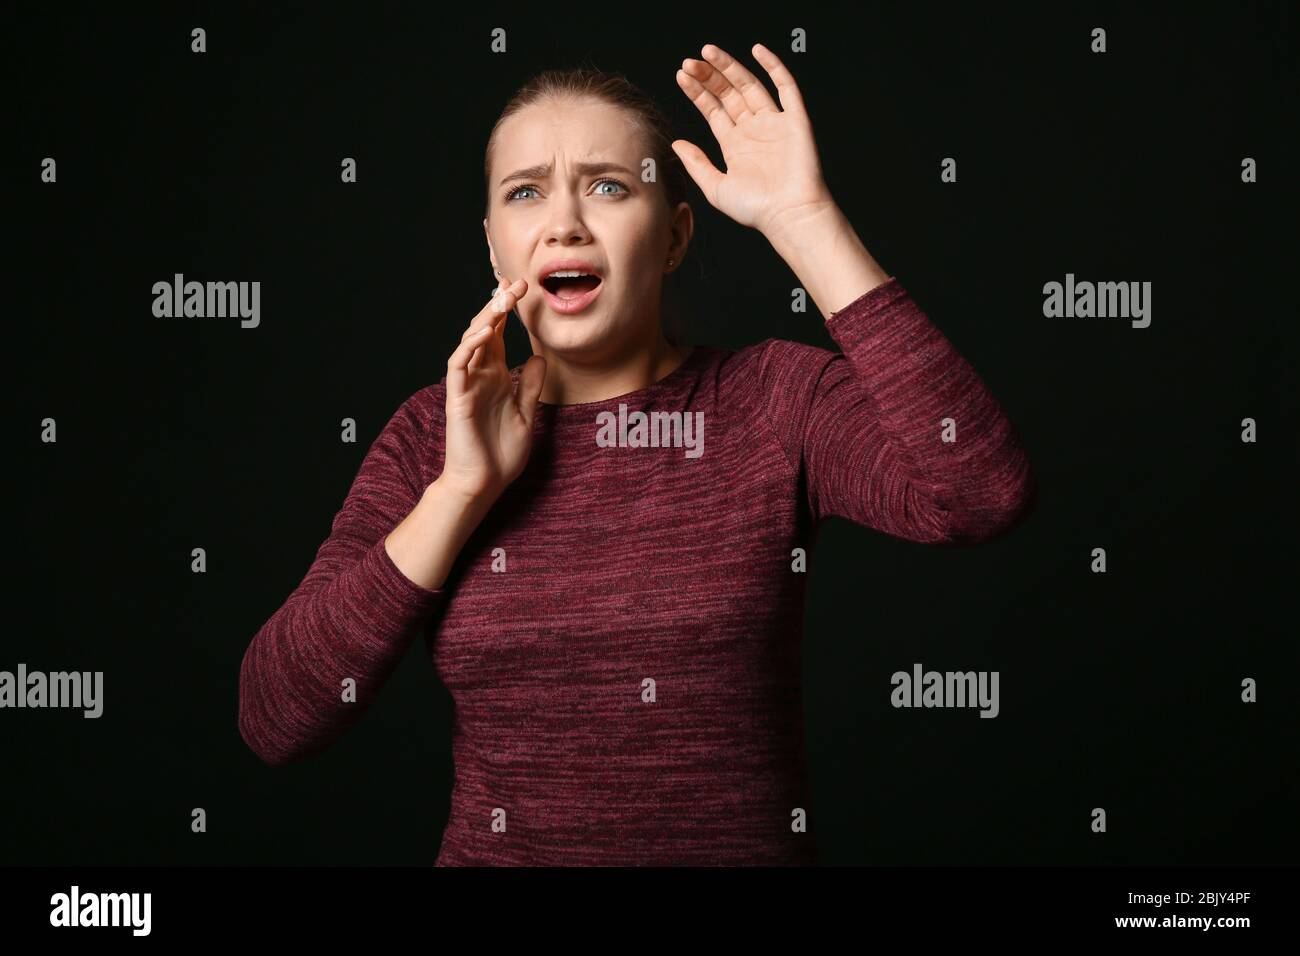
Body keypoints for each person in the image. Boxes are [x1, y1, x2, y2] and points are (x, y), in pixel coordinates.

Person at [237, 43, 1038, 866]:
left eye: (609, 187)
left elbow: (980, 491)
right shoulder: (433, 434)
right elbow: (275, 718)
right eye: (525, 194)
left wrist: (806, 222)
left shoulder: (772, 400)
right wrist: (459, 492)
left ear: (675, 235)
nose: (564, 223)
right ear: (493, 246)